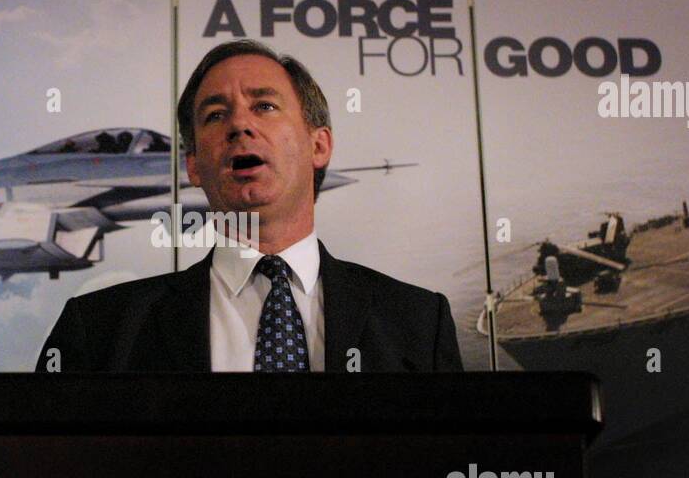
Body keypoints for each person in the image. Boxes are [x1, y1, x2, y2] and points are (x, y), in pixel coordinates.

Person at [36, 40, 461, 372]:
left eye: (264, 106)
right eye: (216, 115)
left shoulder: (419, 324)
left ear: (319, 144)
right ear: (194, 166)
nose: (240, 124)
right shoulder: (98, 331)